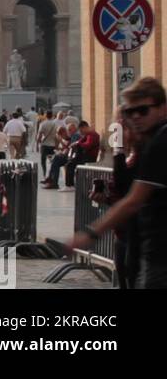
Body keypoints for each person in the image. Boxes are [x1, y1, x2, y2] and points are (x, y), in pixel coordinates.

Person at [68, 78, 167, 288]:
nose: (136, 117)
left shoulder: (161, 141)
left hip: (159, 253)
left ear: (162, 108)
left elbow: (133, 199)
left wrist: (91, 233)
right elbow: (125, 187)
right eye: (130, 112)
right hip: (144, 243)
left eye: (143, 110)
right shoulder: (148, 142)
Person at [90, 111, 142, 289]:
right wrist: (105, 198)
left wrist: (118, 148)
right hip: (122, 232)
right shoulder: (131, 157)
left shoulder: (142, 157)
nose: (117, 133)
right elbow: (124, 193)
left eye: (121, 128)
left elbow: (123, 183)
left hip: (136, 233)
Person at [43, 123, 78, 189]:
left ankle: (52, 181)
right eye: (68, 130)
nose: (68, 132)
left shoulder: (75, 136)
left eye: (69, 130)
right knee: (54, 160)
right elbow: (67, 148)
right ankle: (51, 180)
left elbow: (68, 148)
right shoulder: (72, 136)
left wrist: (61, 141)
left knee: (56, 160)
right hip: (69, 156)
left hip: (72, 157)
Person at [66, 121, 101, 188]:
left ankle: (69, 185)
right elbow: (81, 141)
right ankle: (69, 184)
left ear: (84, 127)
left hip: (90, 158)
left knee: (70, 164)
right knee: (70, 163)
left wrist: (78, 144)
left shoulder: (92, 135)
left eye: (81, 130)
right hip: (86, 157)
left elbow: (87, 145)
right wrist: (76, 143)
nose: (81, 133)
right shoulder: (88, 134)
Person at [36, 110, 59, 175]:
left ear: (46, 115)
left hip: (44, 145)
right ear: (52, 116)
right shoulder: (55, 124)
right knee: (52, 161)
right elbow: (57, 136)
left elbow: (39, 135)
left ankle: (44, 173)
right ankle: (50, 174)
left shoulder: (42, 124)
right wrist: (57, 146)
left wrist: (37, 145)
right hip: (53, 145)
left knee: (43, 161)